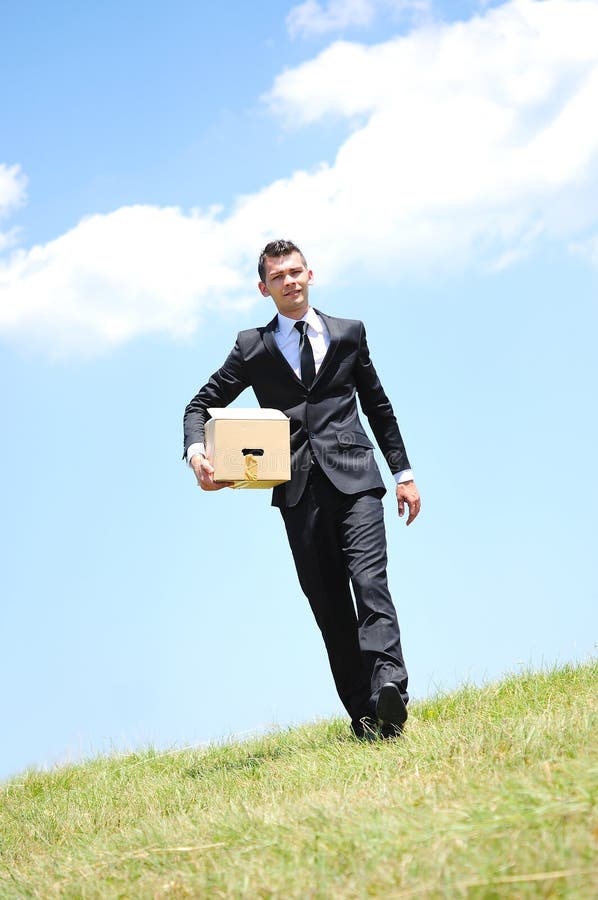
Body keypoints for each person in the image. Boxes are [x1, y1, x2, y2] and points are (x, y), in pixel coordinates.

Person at [183, 239, 421, 738]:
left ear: (311, 274)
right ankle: (365, 716)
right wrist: (198, 453)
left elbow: (379, 407)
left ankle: (389, 688)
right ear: (263, 287)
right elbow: (199, 405)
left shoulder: (349, 334)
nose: (289, 281)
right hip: (297, 492)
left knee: (370, 584)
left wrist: (403, 474)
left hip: (357, 479)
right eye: (278, 276)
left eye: (296, 272)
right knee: (329, 604)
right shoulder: (253, 347)